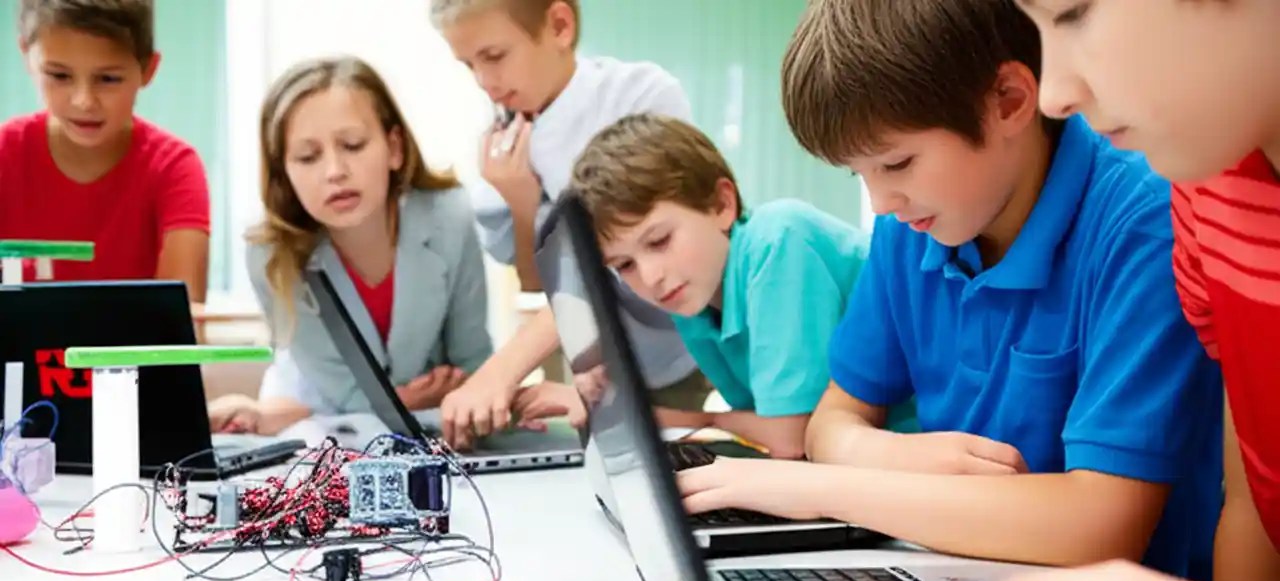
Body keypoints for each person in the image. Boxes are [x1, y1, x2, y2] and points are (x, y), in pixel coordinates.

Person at [676, 0, 1223, 581]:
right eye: (857, 175)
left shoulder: (1142, 215)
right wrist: (887, 454)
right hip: (952, 578)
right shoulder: (910, 229)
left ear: (1009, 101)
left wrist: (823, 487)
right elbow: (833, 418)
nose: (881, 203)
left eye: (898, 162)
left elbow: (1099, 524)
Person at [933, 2, 1280, 581]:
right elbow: (1256, 499)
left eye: (1074, 13)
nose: (1055, 93)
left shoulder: (1142, 204)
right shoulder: (1205, 195)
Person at [430, 0, 711, 447]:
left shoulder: (640, 96)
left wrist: (503, 369)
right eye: (469, 66)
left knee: (671, 463)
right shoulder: (504, 138)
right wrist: (521, 201)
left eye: (495, 57)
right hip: (580, 352)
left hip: (670, 347)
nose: (485, 83)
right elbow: (533, 280)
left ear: (559, 26)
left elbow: (621, 263)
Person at [561, 112, 914, 457]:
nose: (651, 277)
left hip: (918, 451)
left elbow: (791, 438)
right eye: (624, 265)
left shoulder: (777, 241)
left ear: (721, 204)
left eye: (659, 241)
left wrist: (686, 419)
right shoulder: (694, 301)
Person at [207, 56, 490, 435]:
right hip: (321, 425)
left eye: (353, 145)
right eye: (308, 157)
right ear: (284, 175)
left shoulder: (450, 217)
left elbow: (473, 368)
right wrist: (414, 400)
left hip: (428, 433)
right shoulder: (270, 255)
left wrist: (457, 396)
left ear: (394, 148)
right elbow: (345, 397)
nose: (334, 171)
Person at [0, 0, 210, 302]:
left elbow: (184, 322)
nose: (84, 101)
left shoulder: (173, 168)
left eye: (108, 79)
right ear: (26, 57)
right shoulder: (5, 156)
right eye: (59, 76)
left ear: (148, 69)